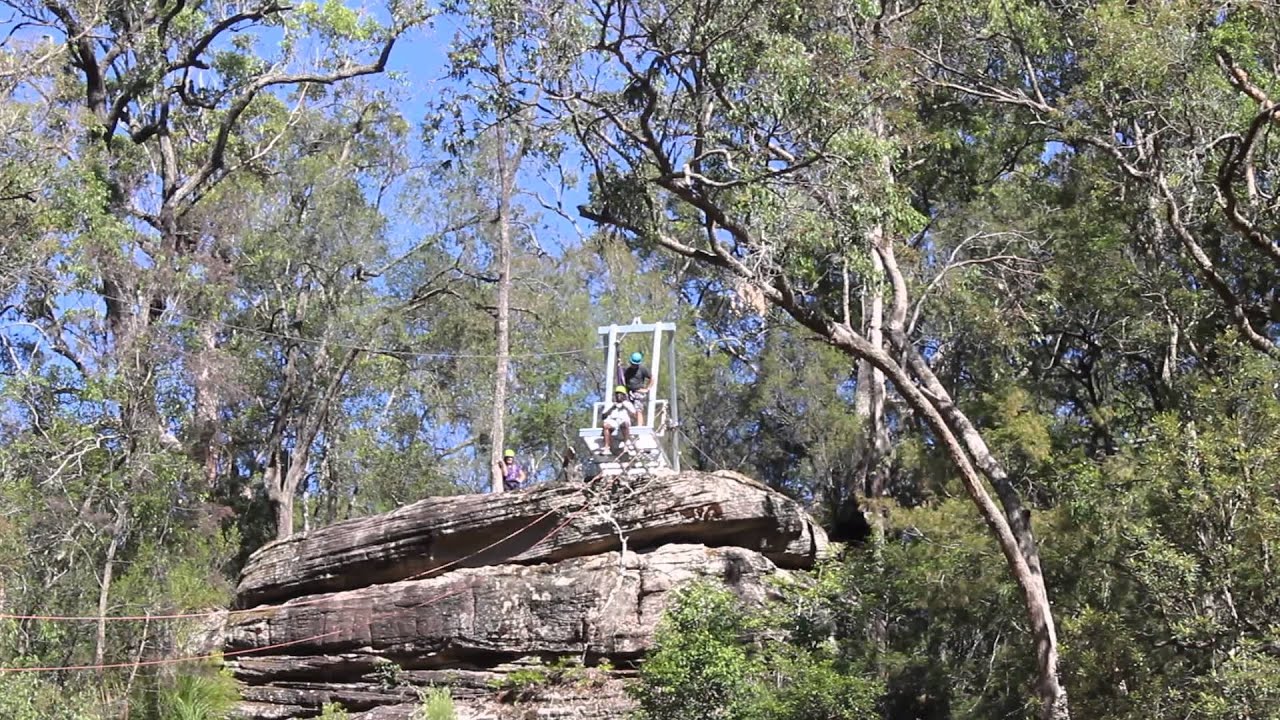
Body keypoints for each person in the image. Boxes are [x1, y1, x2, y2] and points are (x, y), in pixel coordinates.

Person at [618, 351, 653, 425]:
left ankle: (639, 428)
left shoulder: (642, 369)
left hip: (638, 392)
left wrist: (647, 389)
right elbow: (621, 376)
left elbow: (652, 378)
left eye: (634, 364)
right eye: (632, 363)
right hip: (629, 393)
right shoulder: (628, 370)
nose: (633, 365)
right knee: (629, 409)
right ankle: (629, 425)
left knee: (638, 409)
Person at [600, 385, 636, 455]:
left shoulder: (628, 404)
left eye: (620, 394)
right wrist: (612, 407)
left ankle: (626, 445)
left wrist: (625, 406)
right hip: (613, 421)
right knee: (605, 425)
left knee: (625, 423)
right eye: (617, 394)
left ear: (624, 395)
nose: (618, 395)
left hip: (623, 421)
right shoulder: (610, 404)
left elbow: (634, 416)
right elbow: (603, 416)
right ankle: (607, 447)